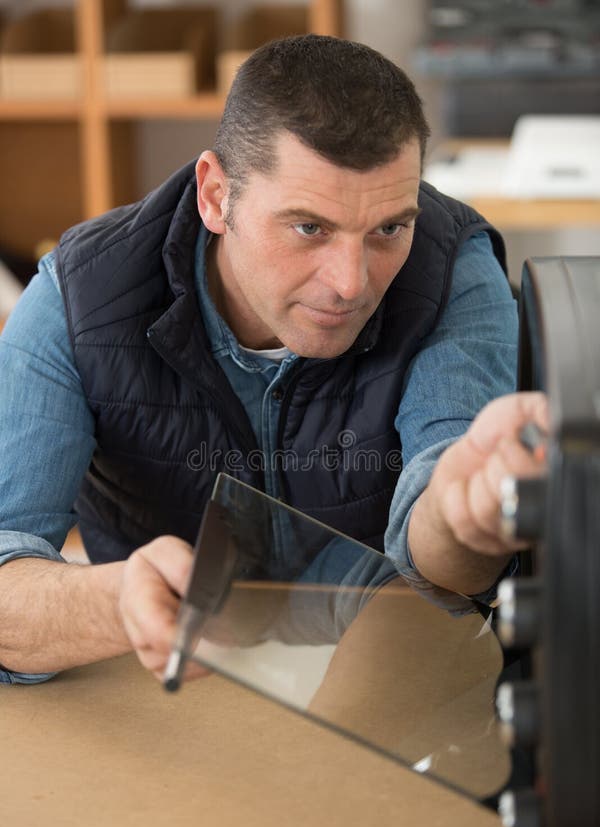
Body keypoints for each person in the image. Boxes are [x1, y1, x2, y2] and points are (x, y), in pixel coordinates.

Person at [0, 35, 548, 686]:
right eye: (309, 227)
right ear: (215, 196)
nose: (351, 282)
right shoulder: (81, 293)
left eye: (389, 229)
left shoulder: (454, 271)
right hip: (170, 700)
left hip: (396, 693)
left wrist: (464, 516)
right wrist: (115, 604)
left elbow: (450, 560)